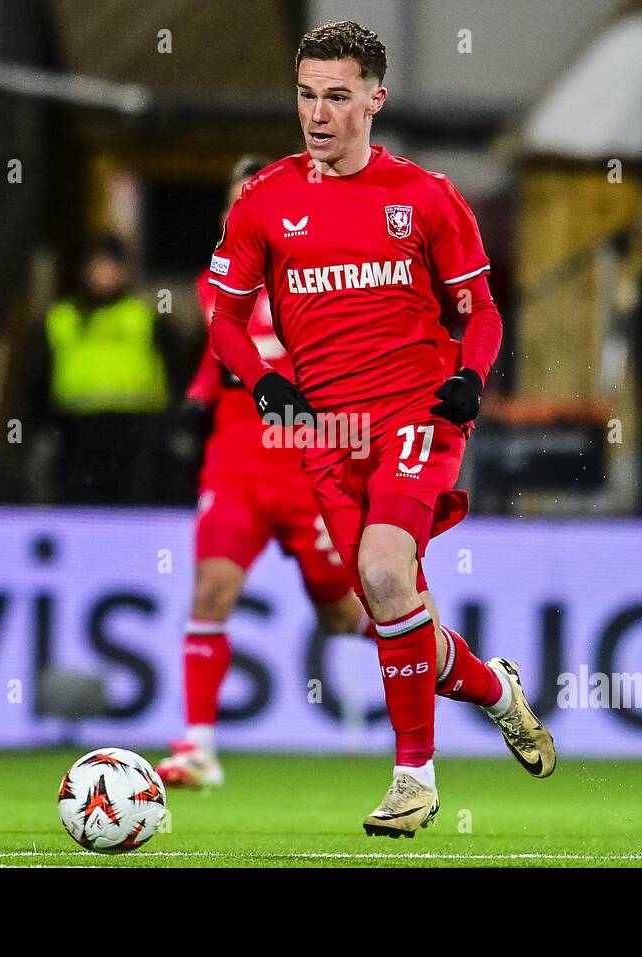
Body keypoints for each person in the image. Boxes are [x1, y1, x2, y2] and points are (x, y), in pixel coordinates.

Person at [207, 20, 555, 837]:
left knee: (384, 567)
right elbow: (222, 318)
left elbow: (482, 311)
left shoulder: (426, 198)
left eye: (336, 97)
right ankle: (498, 690)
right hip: (327, 438)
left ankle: (413, 779)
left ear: (375, 99)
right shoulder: (267, 203)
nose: (318, 115)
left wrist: (471, 375)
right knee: (394, 612)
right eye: (305, 96)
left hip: (415, 416)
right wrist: (264, 382)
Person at [156, 157, 371, 789]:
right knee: (210, 592)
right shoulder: (212, 283)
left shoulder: (330, 276)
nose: (232, 213)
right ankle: (199, 748)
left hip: (311, 464)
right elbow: (218, 355)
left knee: (340, 617)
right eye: (229, 202)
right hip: (238, 461)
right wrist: (197, 401)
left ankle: (434, 655)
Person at [38, 235, 172, 503]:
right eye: (97, 266)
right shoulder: (62, 318)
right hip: (77, 432)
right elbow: (37, 378)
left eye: (110, 266)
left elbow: (173, 369)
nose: (103, 275)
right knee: (79, 504)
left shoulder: (145, 316)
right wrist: (42, 427)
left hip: (134, 431)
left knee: (133, 505)